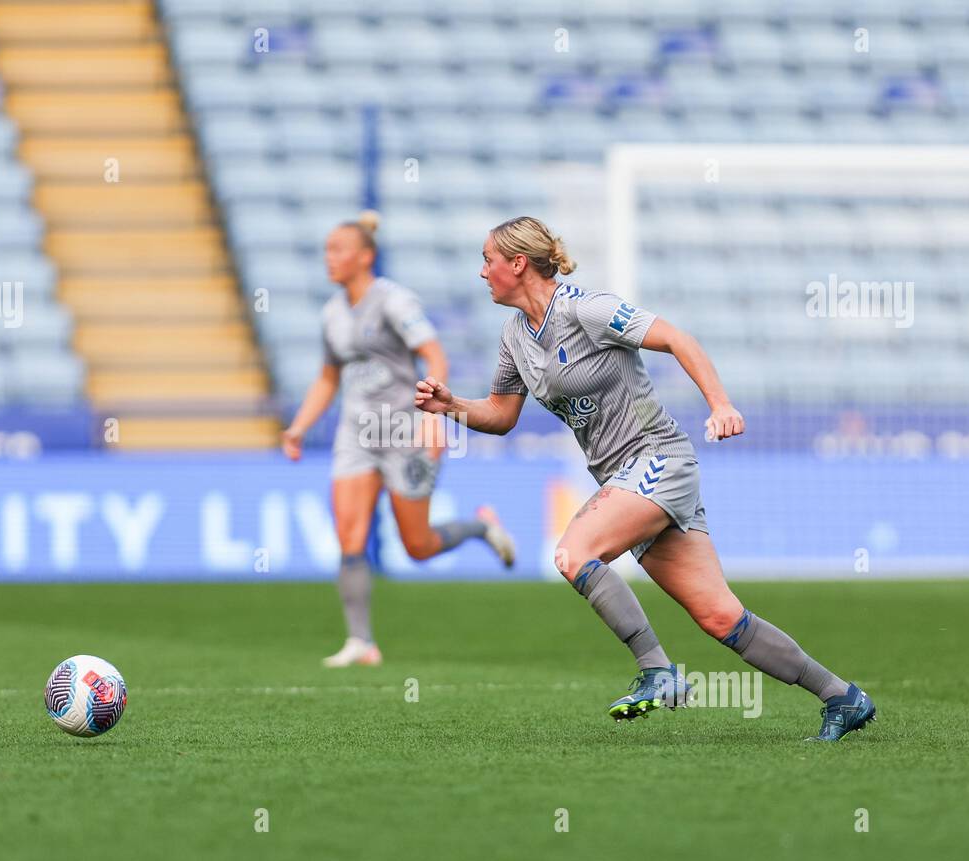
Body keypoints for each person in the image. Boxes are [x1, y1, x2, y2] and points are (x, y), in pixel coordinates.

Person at [414, 216, 876, 741]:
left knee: (572, 553)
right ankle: (842, 696)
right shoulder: (514, 337)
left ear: (517, 263)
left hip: (658, 458)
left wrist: (721, 404)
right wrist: (451, 406)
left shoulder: (588, 309)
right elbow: (500, 414)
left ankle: (658, 672)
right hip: (623, 479)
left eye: (487, 260)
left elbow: (677, 339)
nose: (482, 272)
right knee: (721, 618)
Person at [282, 211, 516, 668]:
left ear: (365, 256)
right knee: (349, 536)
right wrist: (298, 427)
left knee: (418, 546)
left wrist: (435, 417)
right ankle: (361, 642)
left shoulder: (394, 302)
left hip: (404, 430)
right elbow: (328, 378)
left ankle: (481, 528)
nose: (330, 258)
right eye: (327, 250)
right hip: (357, 433)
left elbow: (433, 354)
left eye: (339, 249)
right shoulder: (331, 314)